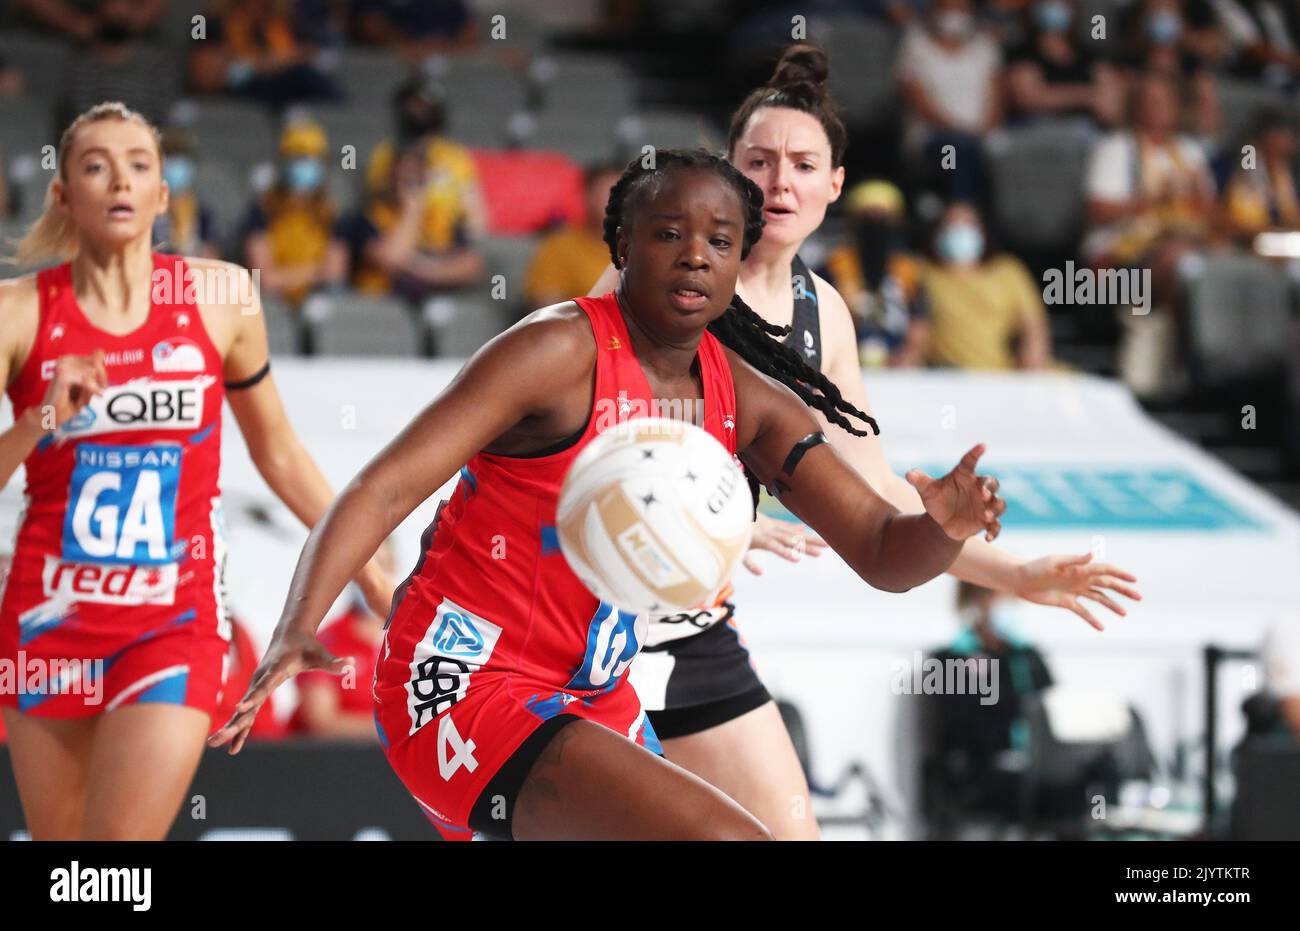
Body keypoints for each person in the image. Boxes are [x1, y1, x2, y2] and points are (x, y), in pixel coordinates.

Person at [211, 148, 1012, 841]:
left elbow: (880, 551)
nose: (695, 255)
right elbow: (382, 489)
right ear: (622, 246)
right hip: (462, 683)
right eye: (669, 233)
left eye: (720, 240)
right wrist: (296, 623)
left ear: (741, 261)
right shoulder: (555, 351)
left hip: (594, 694)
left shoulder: (752, 402)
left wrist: (940, 526)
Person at [588, 44, 1139, 840]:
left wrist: (1014, 574)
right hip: (575, 616)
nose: (781, 182)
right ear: (726, 170)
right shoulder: (657, 269)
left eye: (805, 165)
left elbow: (877, 498)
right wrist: (702, 516)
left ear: (834, 185)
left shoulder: (824, 315)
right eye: (761, 160)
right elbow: (568, 424)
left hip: (689, 627)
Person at [0, 101, 390, 840]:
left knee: (119, 851)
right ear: (62, 194)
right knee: (70, 864)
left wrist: (368, 568)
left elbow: (277, 451)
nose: (119, 179)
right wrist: (40, 418)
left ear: (163, 195)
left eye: (138, 165)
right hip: (48, 616)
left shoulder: (220, 297)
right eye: (95, 164)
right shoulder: (18, 314)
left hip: (171, 618)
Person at [922, 200, 1053, 370]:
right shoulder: (923, 274)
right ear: (937, 234)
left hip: (1002, 375)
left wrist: (1032, 363)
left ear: (982, 231)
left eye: (968, 223)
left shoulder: (1008, 271)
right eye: (952, 224)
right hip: (950, 379)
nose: (960, 230)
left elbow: (1033, 326)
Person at [239, 119, 348, 310]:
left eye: (312, 159)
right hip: (270, 306)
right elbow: (265, 279)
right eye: (297, 158)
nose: (305, 166)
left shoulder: (331, 214)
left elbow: (334, 274)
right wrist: (316, 271)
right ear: (283, 162)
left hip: (315, 304)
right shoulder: (261, 212)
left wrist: (286, 276)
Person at [823, 179, 930, 368]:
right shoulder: (832, 265)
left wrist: (908, 356)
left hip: (898, 367)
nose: (875, 223)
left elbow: (919, 320)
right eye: (867, 216)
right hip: (844, 363)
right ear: (853, 221)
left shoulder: (909, 269)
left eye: (883, 216)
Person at [523, 164, 621, 312]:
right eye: (608, 194)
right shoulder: (559, 246)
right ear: (586, 196)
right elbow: (546, 310)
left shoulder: (645, 246)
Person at [152, 127, 220, 259]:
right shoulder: (147, 213)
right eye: (170, 158)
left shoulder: (204, 215)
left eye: (180, 158)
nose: (175, 166)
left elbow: (211, 263)